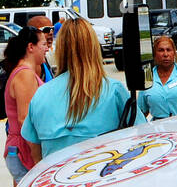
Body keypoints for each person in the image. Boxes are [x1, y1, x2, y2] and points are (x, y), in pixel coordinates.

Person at [22, 17, 134, 162]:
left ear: (60, 49)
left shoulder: (41, 95)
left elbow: (36, 154)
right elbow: (140, 137)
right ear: (93, 47)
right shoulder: (113, 90)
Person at [1, 26, 50, 186]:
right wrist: (38, 159)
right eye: (43, 44)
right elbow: (25, 120)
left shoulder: (25, 72)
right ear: (31, 47)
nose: (47, 49)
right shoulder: (25, 75)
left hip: (21, 149)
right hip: (24, 150)